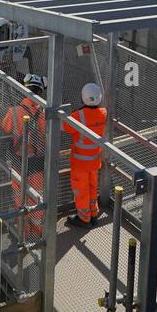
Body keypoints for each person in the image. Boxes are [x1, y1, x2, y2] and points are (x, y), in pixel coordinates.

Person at [0, 74, 46, 237]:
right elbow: (48, 134)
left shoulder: (14, 111)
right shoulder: (44, 112)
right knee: (37, 195)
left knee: (20, 197)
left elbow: (5, 129)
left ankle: (22, 233)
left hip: (19, 160)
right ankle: (38, 232)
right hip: (38, 161)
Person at [62, 82, 107, 227]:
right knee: (93, 187)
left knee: (81, 191)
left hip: (80, 164)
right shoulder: (104, 113)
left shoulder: (77, 116)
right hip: (95, 162)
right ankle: (94, 214)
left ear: (83, 98)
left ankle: (84, 219)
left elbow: (62, 126)